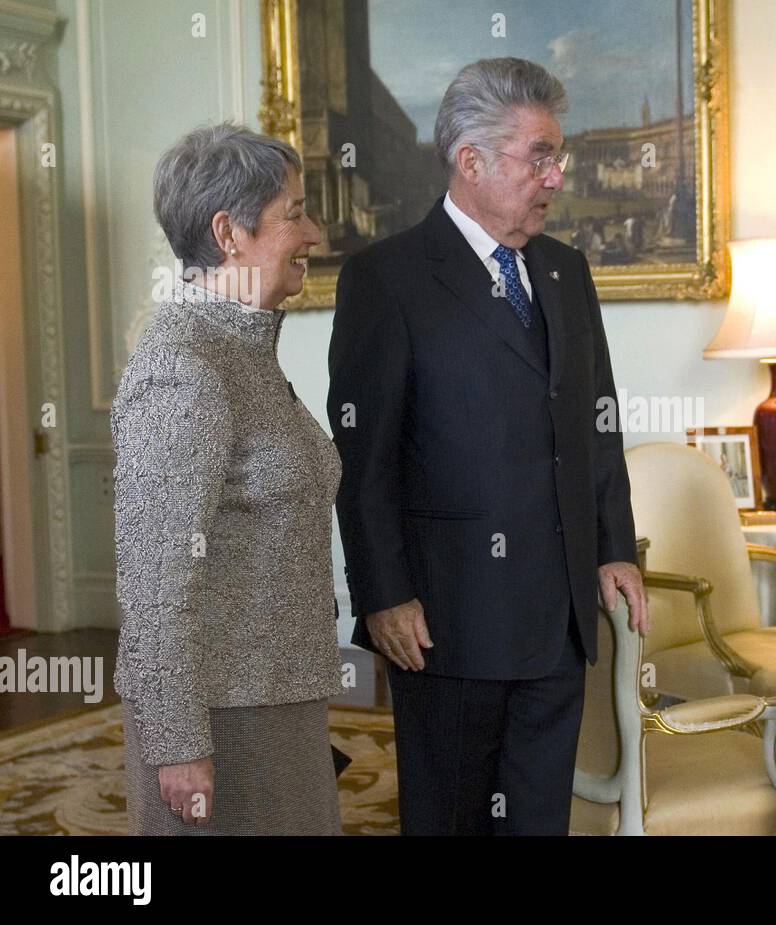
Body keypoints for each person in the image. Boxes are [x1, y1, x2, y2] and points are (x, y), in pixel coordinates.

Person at [328, 57, 648, 836]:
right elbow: (362, 457)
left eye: (557, 155)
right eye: (539, 155)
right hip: (446, 620)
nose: (556, 175)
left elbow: (596, 422)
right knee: (452, 819)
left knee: (538, 817)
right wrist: (382, 593)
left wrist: (613, 545)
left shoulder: (566, 271)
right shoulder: (387, 278)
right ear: (470, 161)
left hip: (559, 613)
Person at [113, 122, 341, 835]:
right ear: (228, 232)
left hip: (274, 701)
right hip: (220, 718)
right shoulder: (186, 366)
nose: (314, 233)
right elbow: (154, 578)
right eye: (294, 212)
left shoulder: (242, 345)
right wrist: (179, 744)